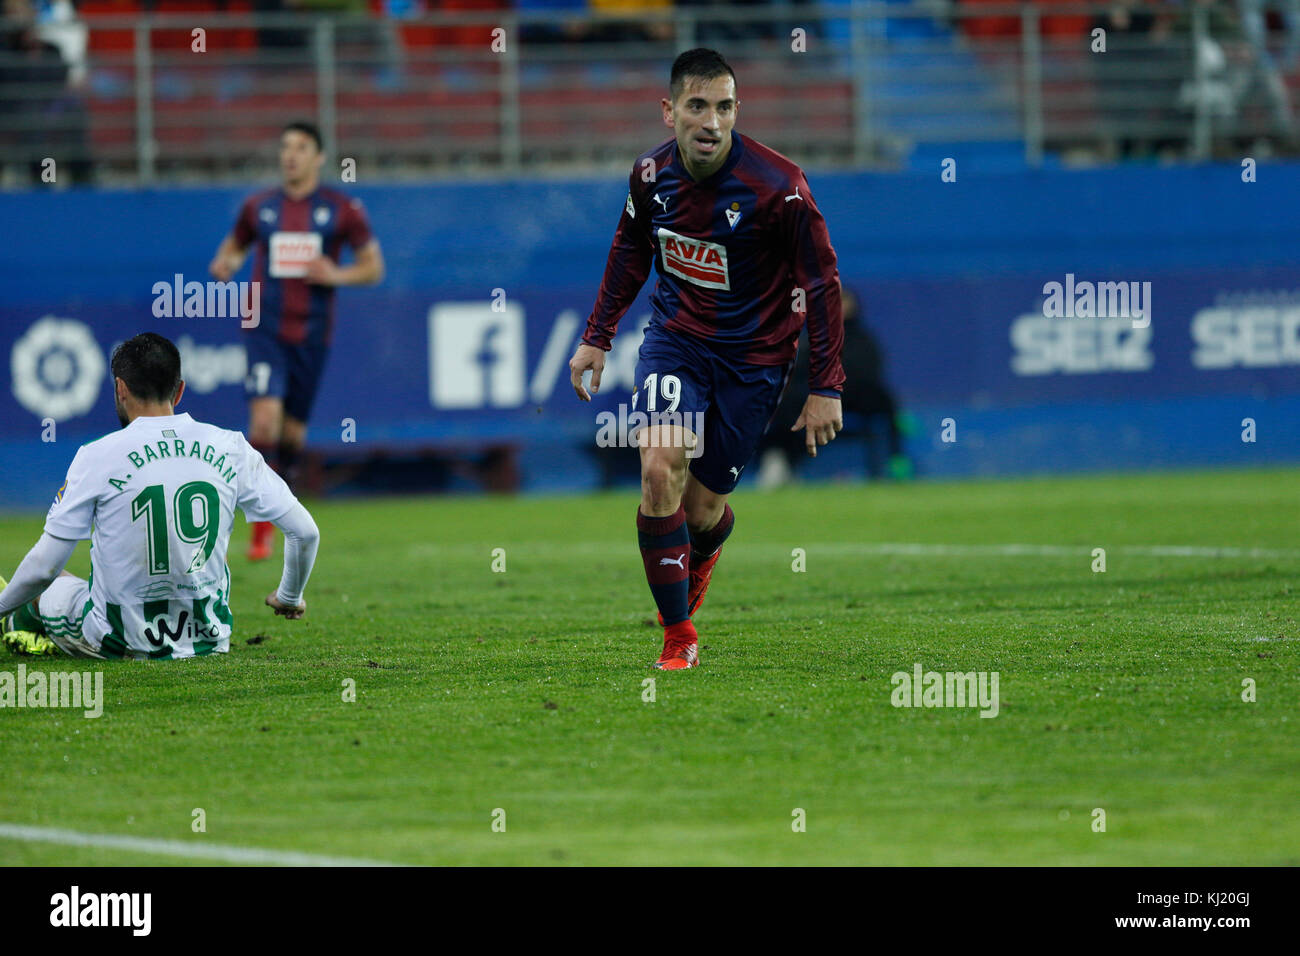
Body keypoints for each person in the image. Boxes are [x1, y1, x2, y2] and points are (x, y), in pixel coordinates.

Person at [569, 48, 845, 671]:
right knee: (660, 467)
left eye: (723, 107)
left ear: (736, 111)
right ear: (670, 112)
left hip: (757, 361)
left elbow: (823, 283)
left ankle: (702, 552)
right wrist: (598, 335)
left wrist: (825, 384)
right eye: (697, 106)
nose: (711, 122)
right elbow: (629, 248)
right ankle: (677, 634)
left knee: (702, 510)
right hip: (677, 342)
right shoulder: (649, 177)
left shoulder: (782, 188)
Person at [0, 333, 320, 660]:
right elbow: (305, 531)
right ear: (179, 390)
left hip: (118, 642)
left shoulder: (97, 455)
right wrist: (290, 596)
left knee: (49, 585)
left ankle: (16, 627)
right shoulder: (230, 446)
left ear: (120, 388)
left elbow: (44, 568)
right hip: (209, 644)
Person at [209, 120, 384, 561]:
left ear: (319, 157)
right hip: (264, 327)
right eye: (285, 146)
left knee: (291, 434)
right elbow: (234, 246)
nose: (290, 155)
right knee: (264, 420)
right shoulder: (258, 207)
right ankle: (252, 528)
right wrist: (226, 263)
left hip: (311, 334)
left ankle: (271, 509)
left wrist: (336, 273)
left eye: (301, 147)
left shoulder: (342, 209)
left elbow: (373, 267)